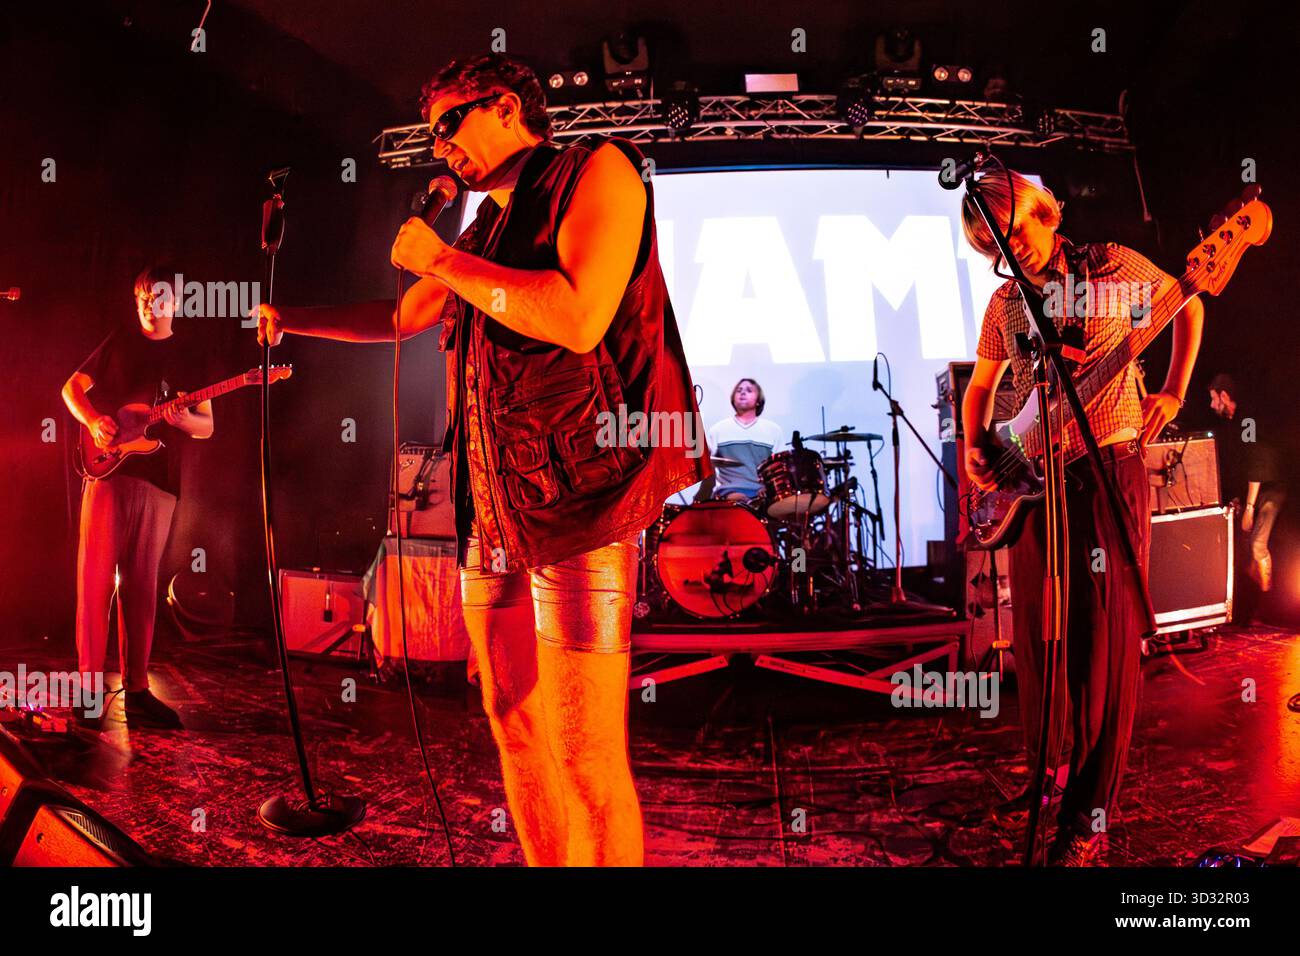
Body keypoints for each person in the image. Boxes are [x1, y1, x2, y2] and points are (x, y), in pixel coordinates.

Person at [253, 53, 709, 866]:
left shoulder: (595, 171)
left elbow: (576, 315)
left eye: (451, 122)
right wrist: (295, 319)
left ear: (506, 106)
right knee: (511, 715)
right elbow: (404, 317)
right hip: (491, 501)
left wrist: (441, 259)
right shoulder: (483, 230)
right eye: (432, 133)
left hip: (582, 497)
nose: (441, 147)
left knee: (584, 748)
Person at [959, 170, 1204, 865]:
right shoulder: (1006, 301)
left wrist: (1175, 391)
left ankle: (1089, 818)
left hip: (1107, 469)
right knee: (1039, 642)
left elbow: (1189, 307)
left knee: (1105, 645)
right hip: (1034, 481)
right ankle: (1049, 773)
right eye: (992, 240)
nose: (1011, 246)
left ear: (1044, 212)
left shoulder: (1115, 269)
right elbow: (981, 387)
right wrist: (975, 446)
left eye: (1016, 227)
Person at [62, 264, 215, 730]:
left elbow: (207, 425)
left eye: (160, 297)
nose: (150, 305)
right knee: (94, 584)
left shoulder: (191, 355)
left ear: (180, 300)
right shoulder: (119, 342)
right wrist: (92, 422)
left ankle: (137, 691)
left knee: (143, 587)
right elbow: (71, 389)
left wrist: (181, 421)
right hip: (108, 474)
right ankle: (89, 693)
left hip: (160, 483)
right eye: (143, 297)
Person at [1209, 373, 1286, 594]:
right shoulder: (1233, 424)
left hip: (1270, 491)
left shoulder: (1247, 420)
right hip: (1254, 492)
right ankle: (1257, 601)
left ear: (1224, 396)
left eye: (1214, 398)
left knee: (1257, 546)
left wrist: (1250, 508)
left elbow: (1256, 460)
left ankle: (1268, 600)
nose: (1212, 404)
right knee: (1247, 552)